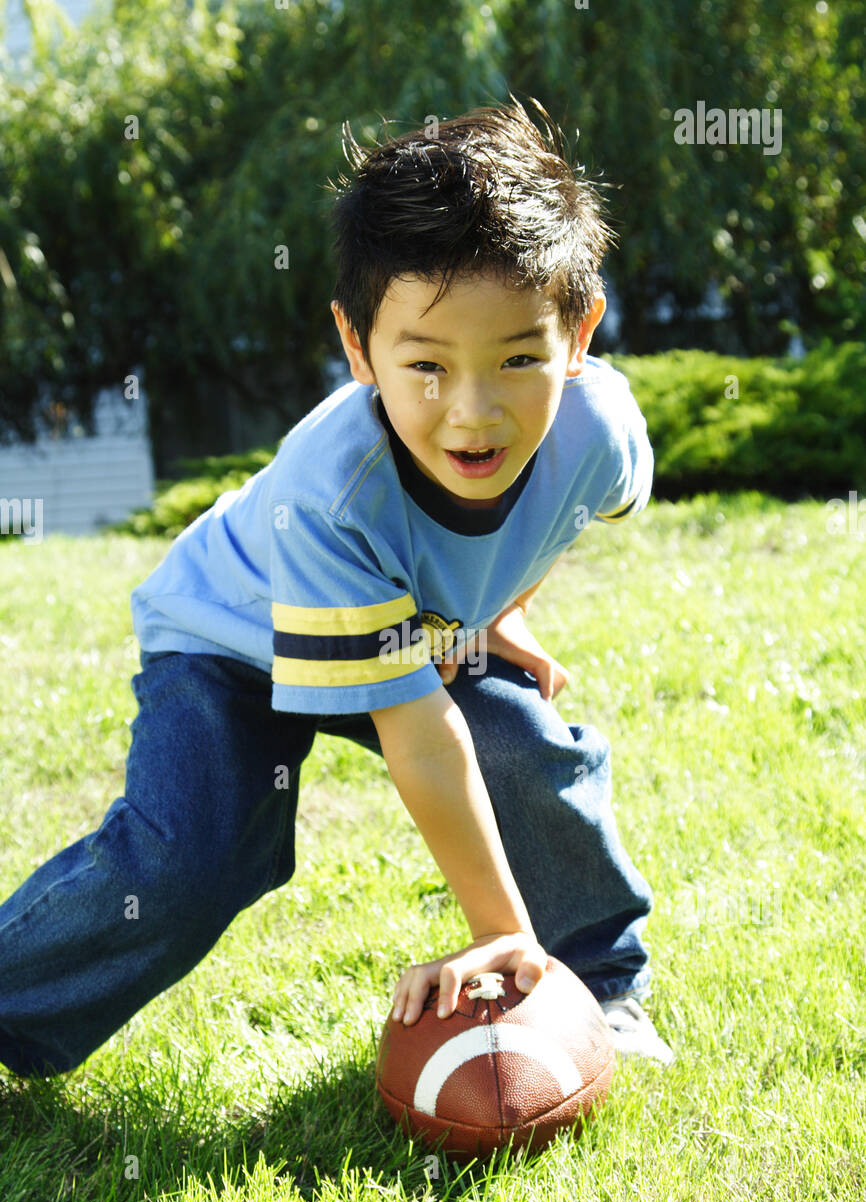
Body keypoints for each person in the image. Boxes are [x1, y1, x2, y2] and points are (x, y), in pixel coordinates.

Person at [0, 97, 673, 1080]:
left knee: (523, 749)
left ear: (579, 334)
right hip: (231, 639)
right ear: (358, 347)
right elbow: (420, 737)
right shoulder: (333, 493)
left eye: (518, 358)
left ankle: (600, 986)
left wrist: (502, 609)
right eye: (426, 365)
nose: (473, 411)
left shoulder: (597, 431)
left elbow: (557, 519)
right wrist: (498, 928)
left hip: (402, 628)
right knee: (195, 857)